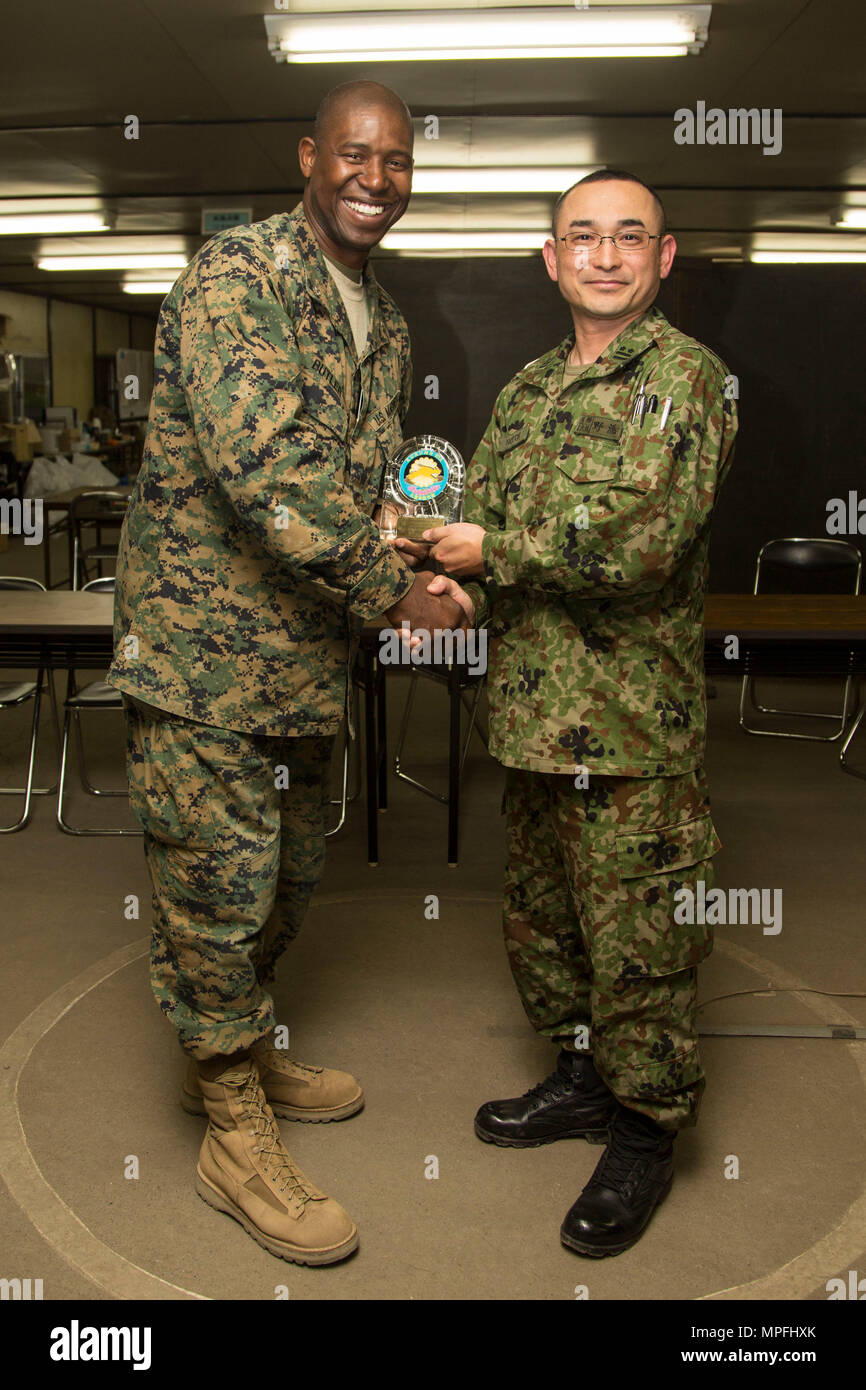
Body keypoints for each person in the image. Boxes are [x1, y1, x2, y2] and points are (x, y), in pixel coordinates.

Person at [107, 80, 464, 1267]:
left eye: (398, 162)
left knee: (284, 880)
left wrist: (413, 548)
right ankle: (227, 1124)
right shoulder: (238, 279)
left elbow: (347, 486)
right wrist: (395, 594)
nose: (376, 178)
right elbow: (267, 467)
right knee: (214, 889)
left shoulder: (384, 318)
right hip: (207, 660)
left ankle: (242, 1043)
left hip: (301, 665)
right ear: (309, 157)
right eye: (355, 155)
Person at [406, 170, 738, 1257]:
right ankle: (585, 1078)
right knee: (546, 933)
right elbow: (486, 530)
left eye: (626, 237)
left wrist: (489, 554)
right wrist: (452, 587)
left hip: (633, 737)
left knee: (642, 942)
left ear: (662, 257)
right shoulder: (527, 390)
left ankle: (645, 1131)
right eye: (580, 237)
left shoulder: (688, 383)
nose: (603, 255)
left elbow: (643, 547)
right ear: (550, 260)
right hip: (533, 728)